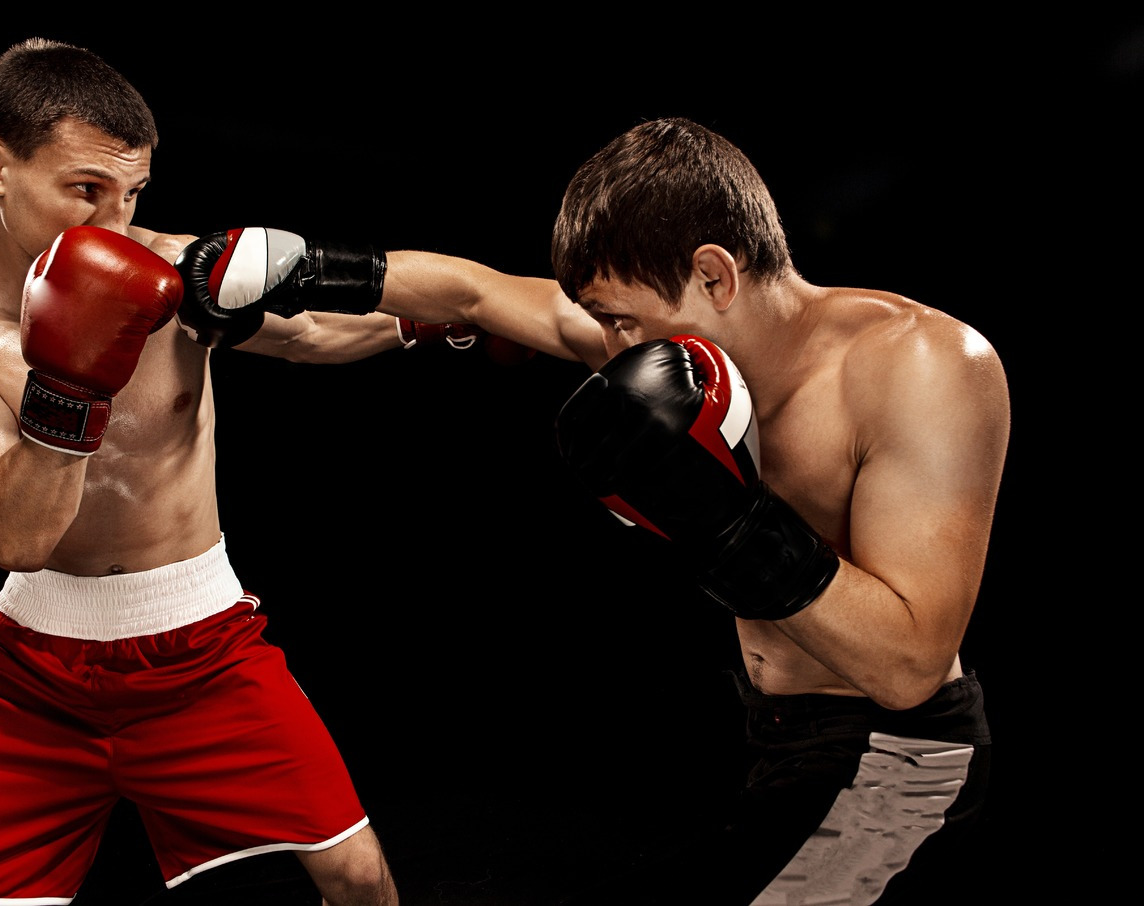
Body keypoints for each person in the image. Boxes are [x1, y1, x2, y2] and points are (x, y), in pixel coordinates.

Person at [0, 36, 513, 906]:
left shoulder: (176, 272)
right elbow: (14, 534)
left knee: (356, 875)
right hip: (26, 674)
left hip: (202, 647)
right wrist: (73, 380)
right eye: (85, 191)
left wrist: (450, 322)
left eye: (133, 192)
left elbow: (318, 330)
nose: (116, 225)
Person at [353, 117, 1008, 904]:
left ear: (714, 275)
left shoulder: (921, 367)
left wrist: (732, 523)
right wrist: (303, 268)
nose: (615, 348)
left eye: (622, 319)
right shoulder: (669, 350)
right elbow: (474, 291)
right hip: (774, 740)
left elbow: (907, 667)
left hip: (898, 759)